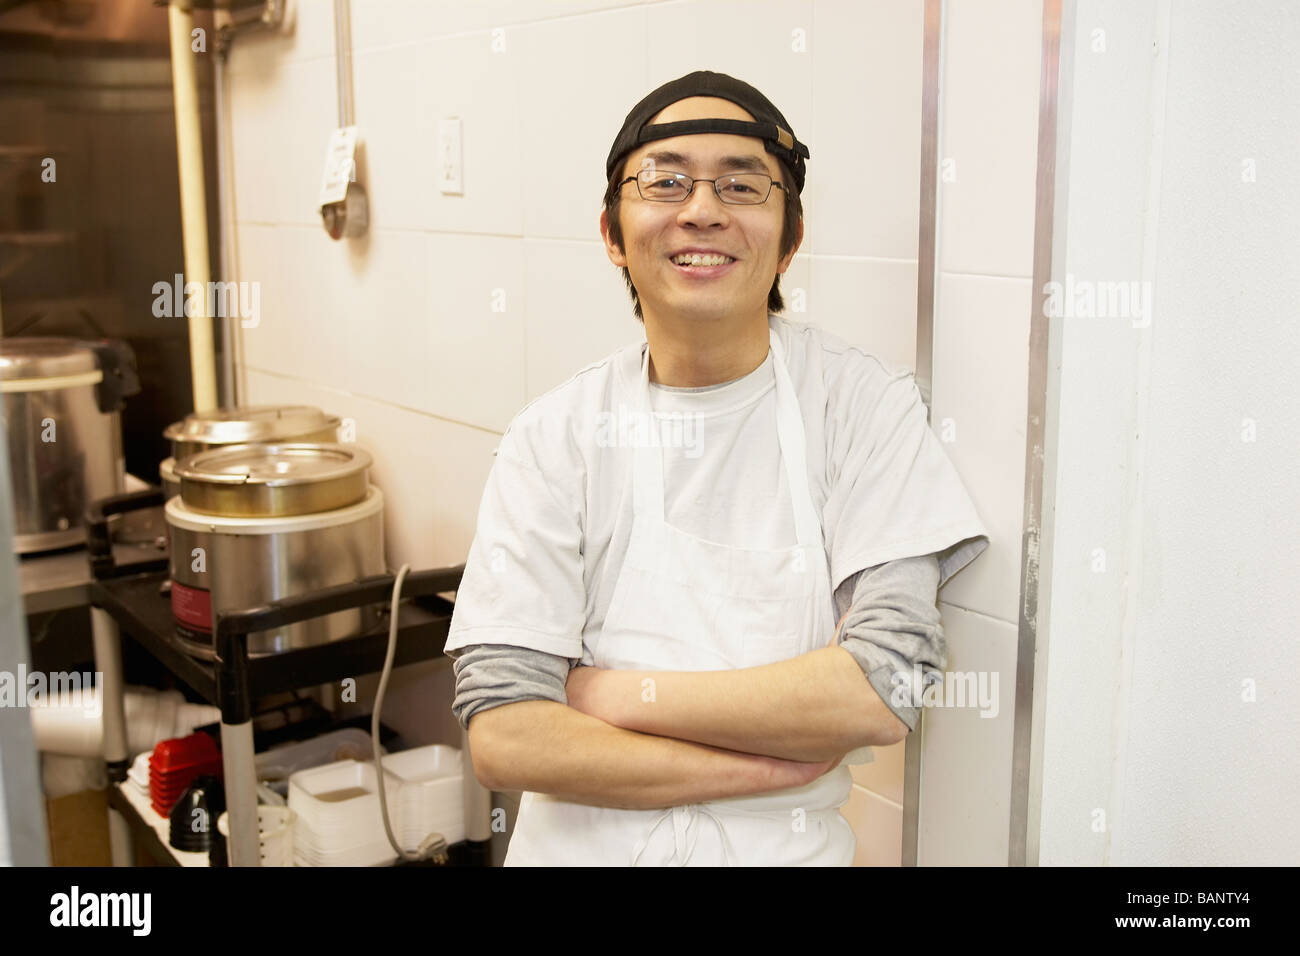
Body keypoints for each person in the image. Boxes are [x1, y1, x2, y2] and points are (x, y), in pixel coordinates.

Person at [443, 70, 989, 866]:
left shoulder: (864, 408)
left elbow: (885, 685)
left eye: (741, 184)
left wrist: (603, 691)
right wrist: (770, 764)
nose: (702, 209)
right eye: (665, 181)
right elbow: (505, 731)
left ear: (790, 239)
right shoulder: (554, 435)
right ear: (611, 233)